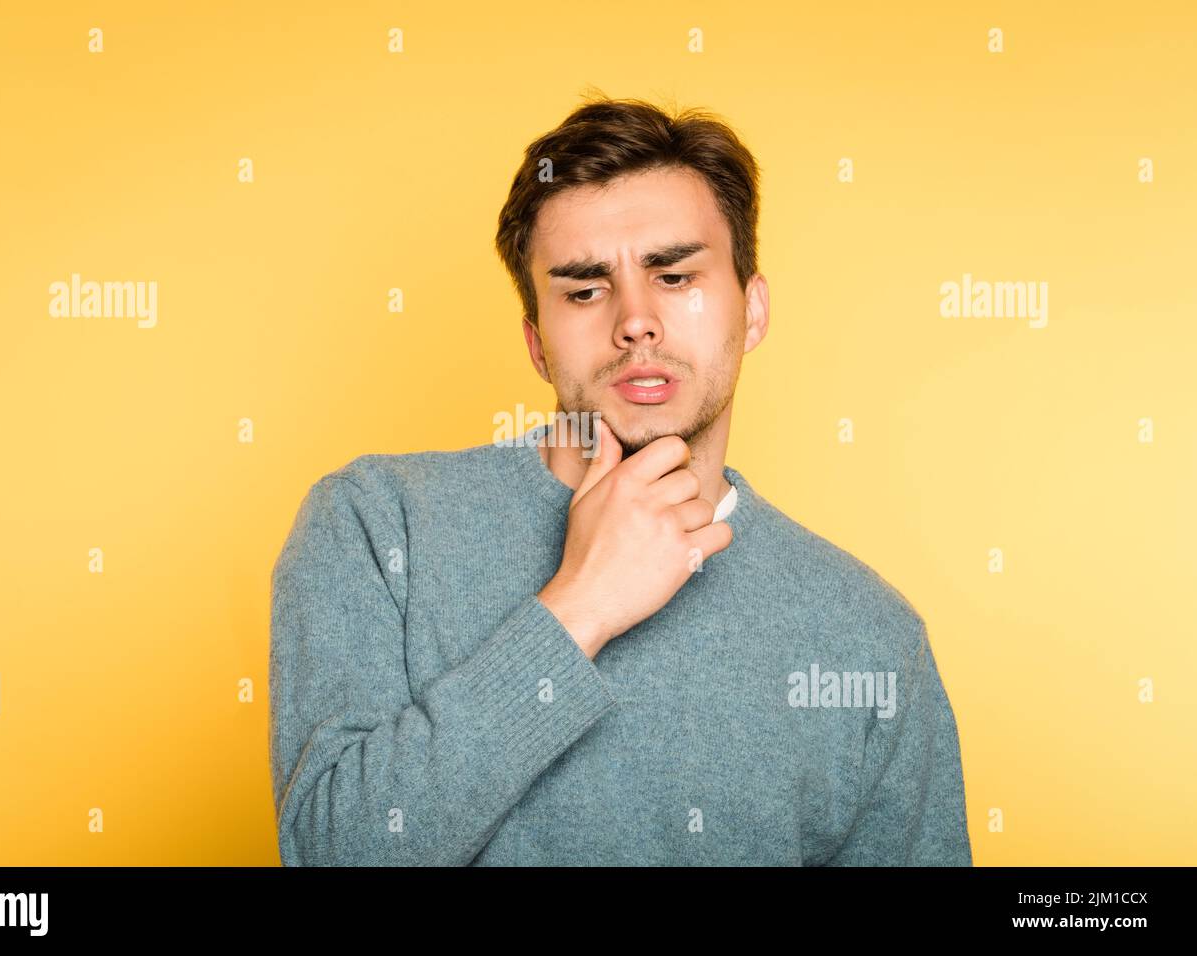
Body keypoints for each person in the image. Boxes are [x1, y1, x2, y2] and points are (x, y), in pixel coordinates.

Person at [268, 96, 972, 866]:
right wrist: (581, 606)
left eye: (674, 276)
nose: (635, 320)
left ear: (754, 309)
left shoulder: (869, 637)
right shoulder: (377, 527)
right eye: (584, 289)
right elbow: (331, 853)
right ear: (537, 343)